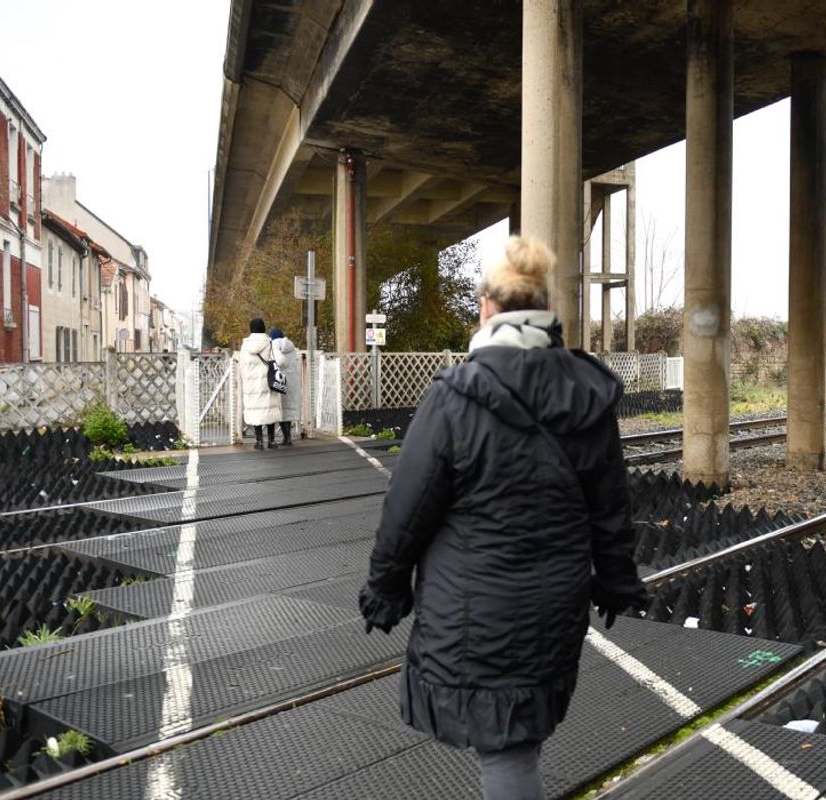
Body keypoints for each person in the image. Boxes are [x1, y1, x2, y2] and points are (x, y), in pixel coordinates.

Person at [359, 236, 647, 800]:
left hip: (474, 605)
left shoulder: (454, 397)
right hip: (557, 602)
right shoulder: (583, 394)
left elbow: (408, 508)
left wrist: (386, 588)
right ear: (547, 311)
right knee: (518, 737)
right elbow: (612, 508)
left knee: (506, 751)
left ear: (487, 308)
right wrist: (616, 580)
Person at [239, 317, 282, 450]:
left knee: (255, 410)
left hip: (251, 383)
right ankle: (271, 441)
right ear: (263, 328)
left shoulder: (245, 345)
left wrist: (246, 377)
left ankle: (259, 441)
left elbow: (242, 364)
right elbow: (278, 361)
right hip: (267, 380)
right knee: (269, 409)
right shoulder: (269, 342)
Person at [269, 327, 302, 446]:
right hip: (292, 380)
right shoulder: (291, 347)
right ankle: (288, 437)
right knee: (288, 409)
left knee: (280, 408)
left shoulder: (273, 346)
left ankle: (281, 438)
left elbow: (279, 361)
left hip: (279, 379)